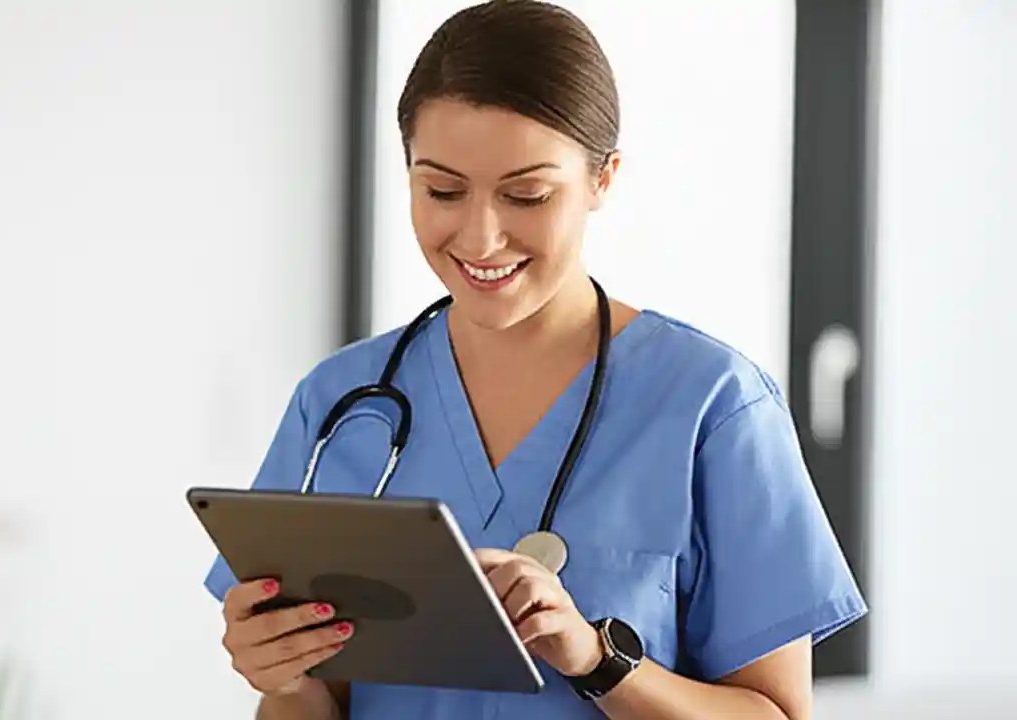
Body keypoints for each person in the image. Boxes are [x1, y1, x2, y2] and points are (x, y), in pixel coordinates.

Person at [201, 1, 867, 717]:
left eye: (527, 195)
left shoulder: (714, 405)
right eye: (442, 190)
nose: (481, 237)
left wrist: (596, 659)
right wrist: (285, 679)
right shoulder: (340, 401)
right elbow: (316, 703)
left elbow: (778, 714)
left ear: (602, 180)